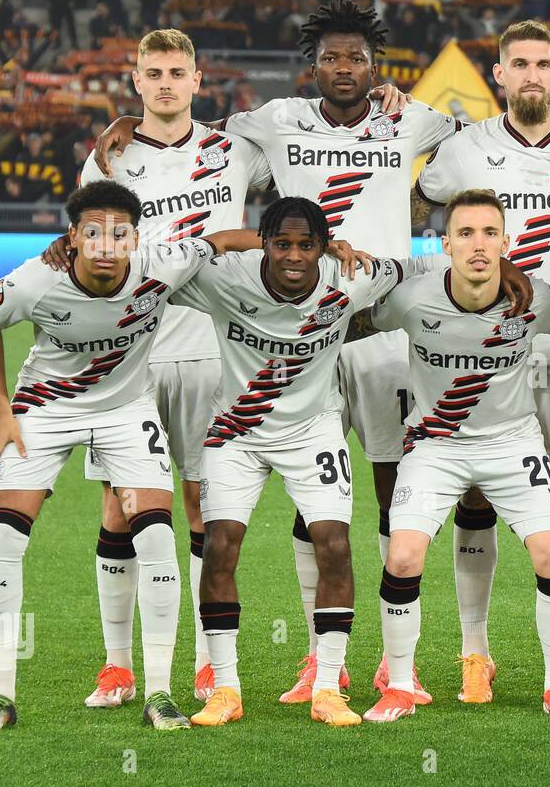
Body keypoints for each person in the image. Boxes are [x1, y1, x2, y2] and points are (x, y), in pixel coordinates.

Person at [92, 0, 550, 704]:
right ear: (313, 64)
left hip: (391, 330)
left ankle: (404, 664)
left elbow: (501, 132)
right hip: (312, 336)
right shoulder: (273, 121)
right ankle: (314, 658)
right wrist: (130, 128)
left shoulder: (412, 117)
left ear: (374, 65)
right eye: (330, 56)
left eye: (356, 57)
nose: (343, 67)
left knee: (398, 492)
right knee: (314, 501)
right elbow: (188, 133)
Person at [42, 29, 272, 709]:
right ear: (135, 81)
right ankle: (117, 666)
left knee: (204, 501)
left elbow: (310, 165)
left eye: (178, 71)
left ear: (199, 80)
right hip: (128, 355)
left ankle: (206, 663)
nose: (166, 82)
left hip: (213, 349)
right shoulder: (106, 161)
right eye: (153, 72)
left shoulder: (236, 153)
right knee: (121, 504)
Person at [0, 180, 242, 733]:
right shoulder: (37, 279)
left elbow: (227, 239)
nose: (107, 245)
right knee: (4, 538)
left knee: (157, 535)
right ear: (73, 238)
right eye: (93, 233)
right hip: (42, 409)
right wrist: (1, 410)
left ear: (137, 238)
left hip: (124, 412)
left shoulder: (161, 264)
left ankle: (159, 693)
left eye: (120, 233)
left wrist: (315, 243)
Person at [344, 190, 550, 722]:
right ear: (444, 243)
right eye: (465, 233)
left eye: (489, 233)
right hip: (433, 446)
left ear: (506, 243)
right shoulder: (411, 298)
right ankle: (400, 685)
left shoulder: (532, 299)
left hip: (511, 443)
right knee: (401, 557)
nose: (478, 244)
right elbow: (354, 326)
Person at [410, 20, 550, 704]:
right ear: (498, 74)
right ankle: (475, 652)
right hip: (485, 347)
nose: (531, 75)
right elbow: (418, 203)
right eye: (518, 64)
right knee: (476, 492)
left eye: (542, 64)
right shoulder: (465, 149)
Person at [173, 198, 403, 728]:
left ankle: (328, 687)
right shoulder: (224, 279)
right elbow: (158, 272)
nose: (294, 256)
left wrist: (502, 265)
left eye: (306, 245)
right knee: (220, 546)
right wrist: (215, 241)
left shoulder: (350, 279)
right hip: (236, 433)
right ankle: (225, 689)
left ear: (325, 248)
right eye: (282, 244)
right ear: (264, 244)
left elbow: (413, 270)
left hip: (313, 430)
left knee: (335, 545)